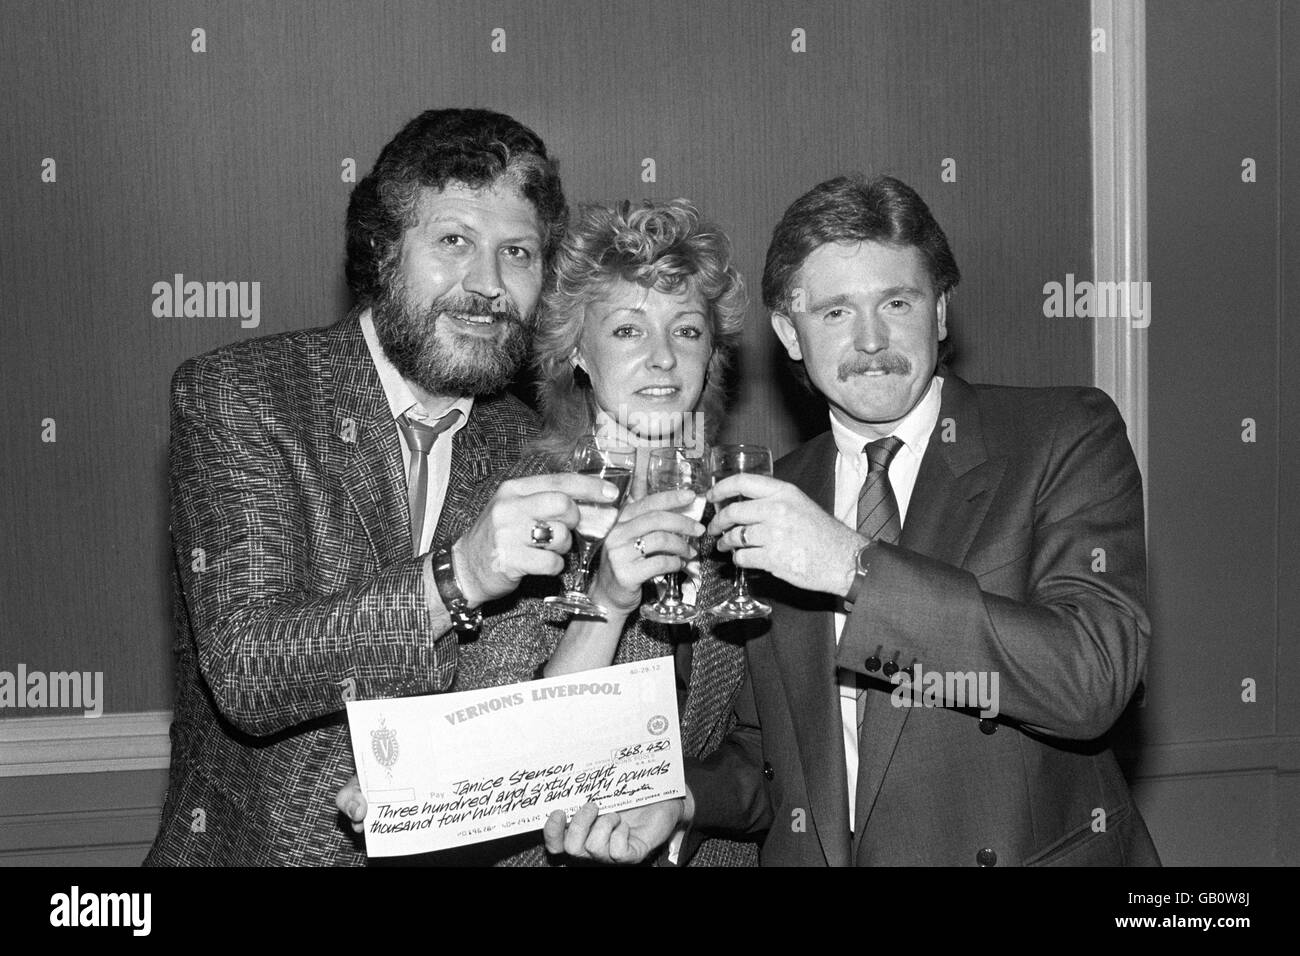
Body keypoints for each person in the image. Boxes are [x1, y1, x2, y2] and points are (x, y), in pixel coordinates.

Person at [546, 174, 1160, 867]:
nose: (871, 341)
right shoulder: (770, 493)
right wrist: (684, 797)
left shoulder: (1060, 434)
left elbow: (1092, 682)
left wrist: (852, 566)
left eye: (896, 302)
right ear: (789, 334)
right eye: (835, 312)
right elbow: (772, 753)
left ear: (940, 313)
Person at [147, 108, 618, 866]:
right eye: (454, 242)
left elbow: (534, 709)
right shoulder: (242, 395)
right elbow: (246, 668)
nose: (488, 285)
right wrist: (457, 576)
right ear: (382, 252)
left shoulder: (539, 450)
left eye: (518, 252)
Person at [338, 198, 759, 866]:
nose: (661, 358)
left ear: (711, 355)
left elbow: (766, 750)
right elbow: (488, 732)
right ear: (578, 353)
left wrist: (688, 801)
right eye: (627, 330)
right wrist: (608, 604)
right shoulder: (514, 499)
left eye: (686, 331)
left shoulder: (737, 504)